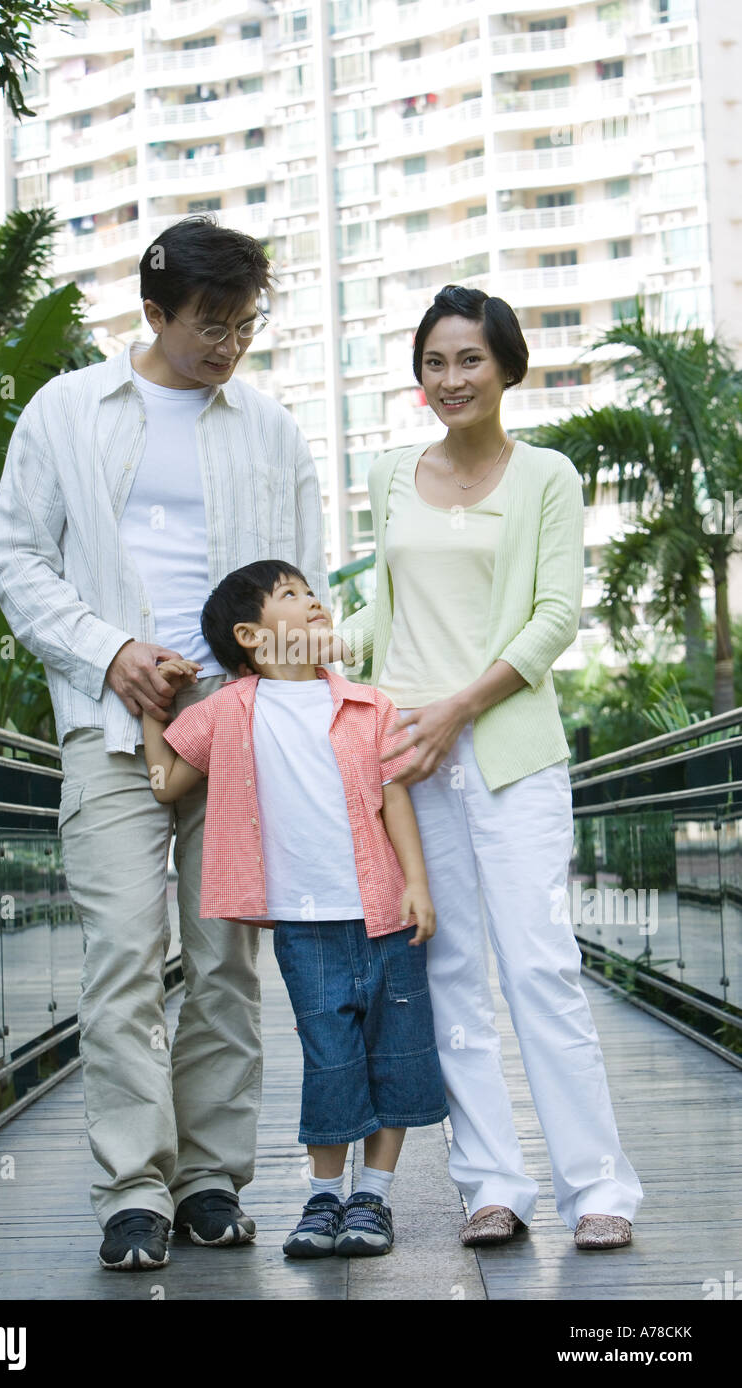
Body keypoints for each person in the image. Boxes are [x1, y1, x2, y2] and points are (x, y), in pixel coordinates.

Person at [0, 215, 329, 1271]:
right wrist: (108, 650)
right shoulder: (67, 413)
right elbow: (18, 561)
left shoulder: (270, 428)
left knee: (226, 959)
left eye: (245, 324)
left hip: (238, 730)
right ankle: (132, 1188)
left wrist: (290, 703)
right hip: (108, 727)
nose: (228, 344)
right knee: (125, 956)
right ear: (154, 312)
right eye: (209, 325)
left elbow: (305, 580)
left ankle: (211, 1180)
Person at [335, 285, 643, 1251]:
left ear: (507, 368)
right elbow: (383, 616)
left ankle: (598, 1190)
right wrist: (287, 649)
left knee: (541, 966)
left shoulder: (544, 474)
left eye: (469, 359)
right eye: (433, 361)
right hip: (406, 761)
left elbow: (554, 616)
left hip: (505, 751)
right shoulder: (390, 473)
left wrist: (459, 708)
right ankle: (490, 1185)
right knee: (449, 974)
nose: (449, 378)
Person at [141, 561, 449, 1259]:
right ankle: (321, 1199)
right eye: (290, 595)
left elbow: (392, 796)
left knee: (392, 1055)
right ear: (249, 635)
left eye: (312, 592)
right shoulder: (225, 711)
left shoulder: (368, 705)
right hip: (304, 927)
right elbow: (164, 785)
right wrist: (147, 710)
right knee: (330, 1058)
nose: (312, 602)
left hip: (384, 915)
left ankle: (371, 1197)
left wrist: (417, 885)